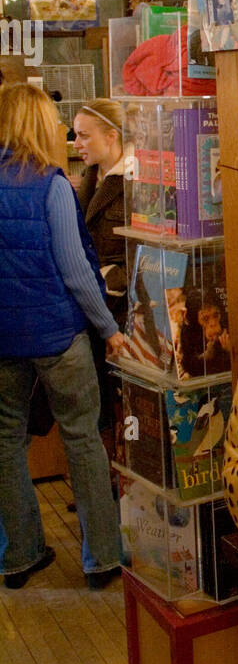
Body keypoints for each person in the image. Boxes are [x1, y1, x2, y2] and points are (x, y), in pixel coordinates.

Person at [0, 83, 125, 590]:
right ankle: (102, 559)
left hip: (4, 341)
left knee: (6, 444)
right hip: (58, 336)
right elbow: (77, 271)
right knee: (83, 440)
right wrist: (109, 329)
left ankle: (19, 557)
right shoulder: (52, 185)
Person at [72, 100, 129, 426]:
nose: (76, 143)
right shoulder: (90, 176)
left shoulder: (136, 180)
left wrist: (108, 279)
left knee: (121, 410)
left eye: (83, 136)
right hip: (92, 310)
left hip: (119, 312)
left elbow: (141, 252)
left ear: (110, 136)